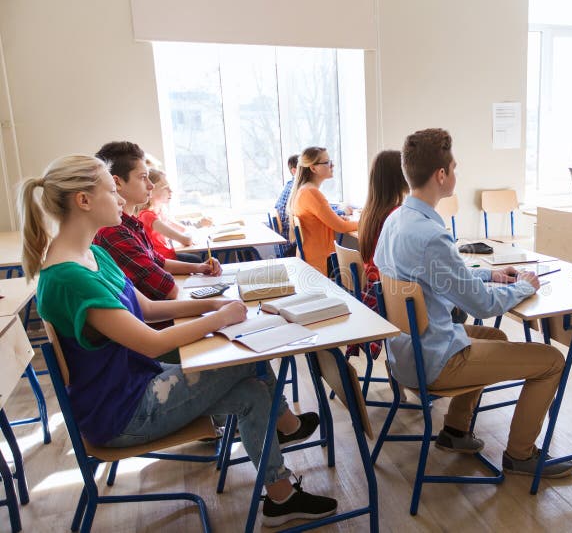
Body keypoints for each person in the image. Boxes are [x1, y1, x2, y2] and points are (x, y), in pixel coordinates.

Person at [19, 154, 336, 525]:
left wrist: (221, 303)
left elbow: (151, 309)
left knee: (252, 393)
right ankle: (288, 428)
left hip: (135, 386)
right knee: (247, 354)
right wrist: (218, 318)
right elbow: (151, 344)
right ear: (83, 201)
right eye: (111, 190)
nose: (120, 199)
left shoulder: (94, 254)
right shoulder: (69, 278)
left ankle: (280, 496)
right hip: (122, 413)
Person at [373, 128, 572, 478]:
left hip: (403, 355)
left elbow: (434, 274)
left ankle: (454, 431)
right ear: (441, 175)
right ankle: (521, 456)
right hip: (434, 361)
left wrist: (490, 275)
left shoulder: (395, 221)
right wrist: (523, 287)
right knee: (552, 361)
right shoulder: (431, 234)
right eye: (454, 167)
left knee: (494, 338)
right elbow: (482, 305)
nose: (455, 173)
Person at [93, 141, 221, 300]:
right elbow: (169, 290)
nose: (151, 186)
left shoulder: (132, 224)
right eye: (143, 178)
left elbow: (158, 261)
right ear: (117, 182)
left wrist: (200, 267)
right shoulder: (114, 232)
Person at [345, 150, 408, 359]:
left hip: (373, 289)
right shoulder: (395, 215)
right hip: (389, 293)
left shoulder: (369, 212)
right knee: (453, 307)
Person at [287, 147, 358, 275]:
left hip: (310, 259)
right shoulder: (311, 193)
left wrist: (339, 219)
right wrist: (366, 222)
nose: (332, 165)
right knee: (363, 269)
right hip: (320, 263)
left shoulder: (305, 190)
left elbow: (324, 221)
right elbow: (341, 227)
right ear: (313, 168)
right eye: (327, 162)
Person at [274, 154, 351, 258]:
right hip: (293, 246)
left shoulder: (292, 187)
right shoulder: (302, 190)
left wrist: (337, 210)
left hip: (293, 245)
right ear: (294, 171)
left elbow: (319, 208)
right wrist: (341, 212)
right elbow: (321, 212)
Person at [137, 168, 203, 263]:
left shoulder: (161, 211)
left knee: (195, 259)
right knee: (195, 260)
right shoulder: (147, 216)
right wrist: (190, 237)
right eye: (165, 188)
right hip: (163, 262)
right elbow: (185, 240)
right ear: (150, 191)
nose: (171, 191)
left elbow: (183, 229)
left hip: (169, 257)